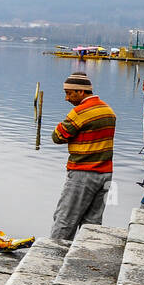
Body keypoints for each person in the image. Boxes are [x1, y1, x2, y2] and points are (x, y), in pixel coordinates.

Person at [50, 71, 116, 241]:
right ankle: (86, 255)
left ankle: (54, 255)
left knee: (65, 219)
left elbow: (57, 137)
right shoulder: (108, 110)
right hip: (105, 174)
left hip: (82, 174)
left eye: (68, 93)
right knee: (92, 223)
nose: (66, 98)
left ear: (81, 92)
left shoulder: (79, 113)